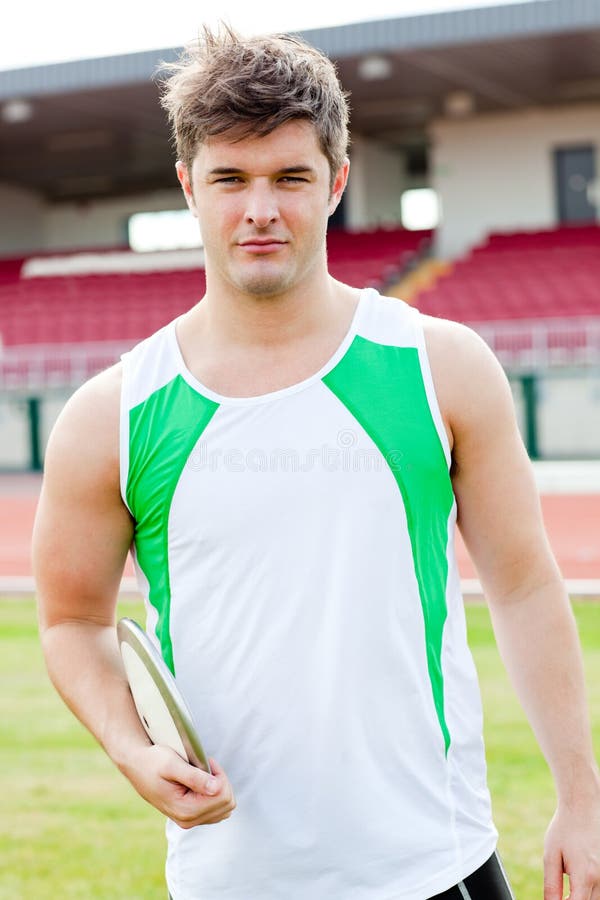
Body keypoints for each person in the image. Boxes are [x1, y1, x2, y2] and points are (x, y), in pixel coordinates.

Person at [32, 25, 600, 900]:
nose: (260, 209)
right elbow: (72, 621)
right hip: (231, 877)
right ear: (189, 186)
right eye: (230, 179)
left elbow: (524, 585)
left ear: (335, 181)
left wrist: (582, 796)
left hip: (434, 864)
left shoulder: (438, 365)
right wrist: (127, 743)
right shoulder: (112, 414)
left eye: (290, 177)